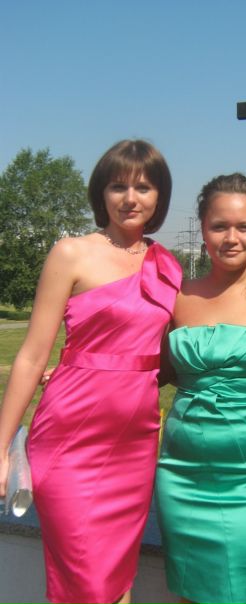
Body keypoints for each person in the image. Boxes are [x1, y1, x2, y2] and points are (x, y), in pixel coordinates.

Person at [0, 139, 182, 604]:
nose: (130, 198)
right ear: (101, 192)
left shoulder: (168, 266)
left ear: (160, 196)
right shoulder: (71, 253)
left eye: (144, 187)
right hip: (70, 436)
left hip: (135, 443)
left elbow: (168, 355)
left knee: (117, 575)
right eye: (118, 186)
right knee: (84, 579)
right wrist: (0, 446)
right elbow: (31, 356)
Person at [155, 173, 246, 604]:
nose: (231, 238)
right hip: (183, 473)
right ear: (202, 229)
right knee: (190, 594)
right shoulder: (177, 297)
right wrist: (77, 372)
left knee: (241, 593)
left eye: (244, 227)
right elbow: (150, 371)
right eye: (219, 226)